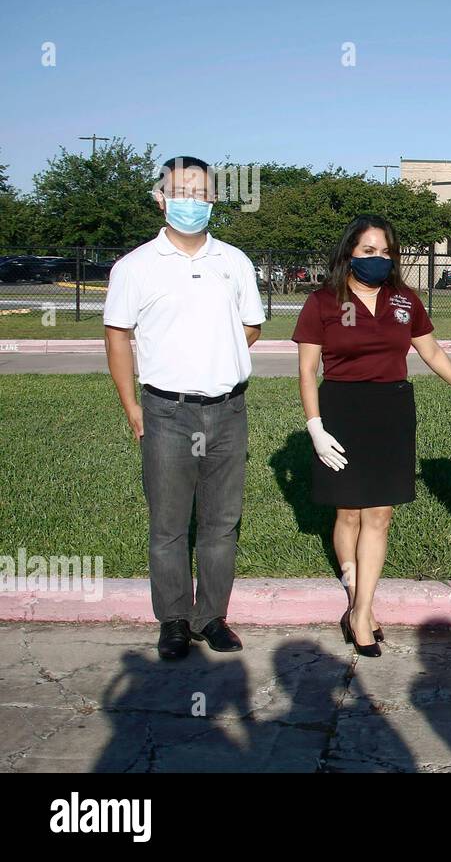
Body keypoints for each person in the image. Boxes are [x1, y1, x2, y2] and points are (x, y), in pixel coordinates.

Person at [292, 215, 451, 657]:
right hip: (341, 410)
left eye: (386, 252)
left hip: (391, 411)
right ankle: (357, 598)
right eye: (369, 251)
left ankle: (361, 611)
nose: (379, 259)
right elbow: (308, 370)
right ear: (349, 251)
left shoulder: (404, 299)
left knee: (380, 514)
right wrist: (315, 427)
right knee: (348, 513)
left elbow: (429, 349)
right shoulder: (323, 302)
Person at [104, 155, 266, 661]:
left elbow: (252, 326)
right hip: (166, 413)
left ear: (214, 198)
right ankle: (173, 620)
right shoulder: (134, 267)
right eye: (180, 191)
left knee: (221, 521)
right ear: (160, 196)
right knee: (169, 523)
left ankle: (211, 617)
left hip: (228, 411)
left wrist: (215, 358)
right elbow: (117, 336)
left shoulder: (234, 262)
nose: (190, 201)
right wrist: (132, 405)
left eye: (200, 193)